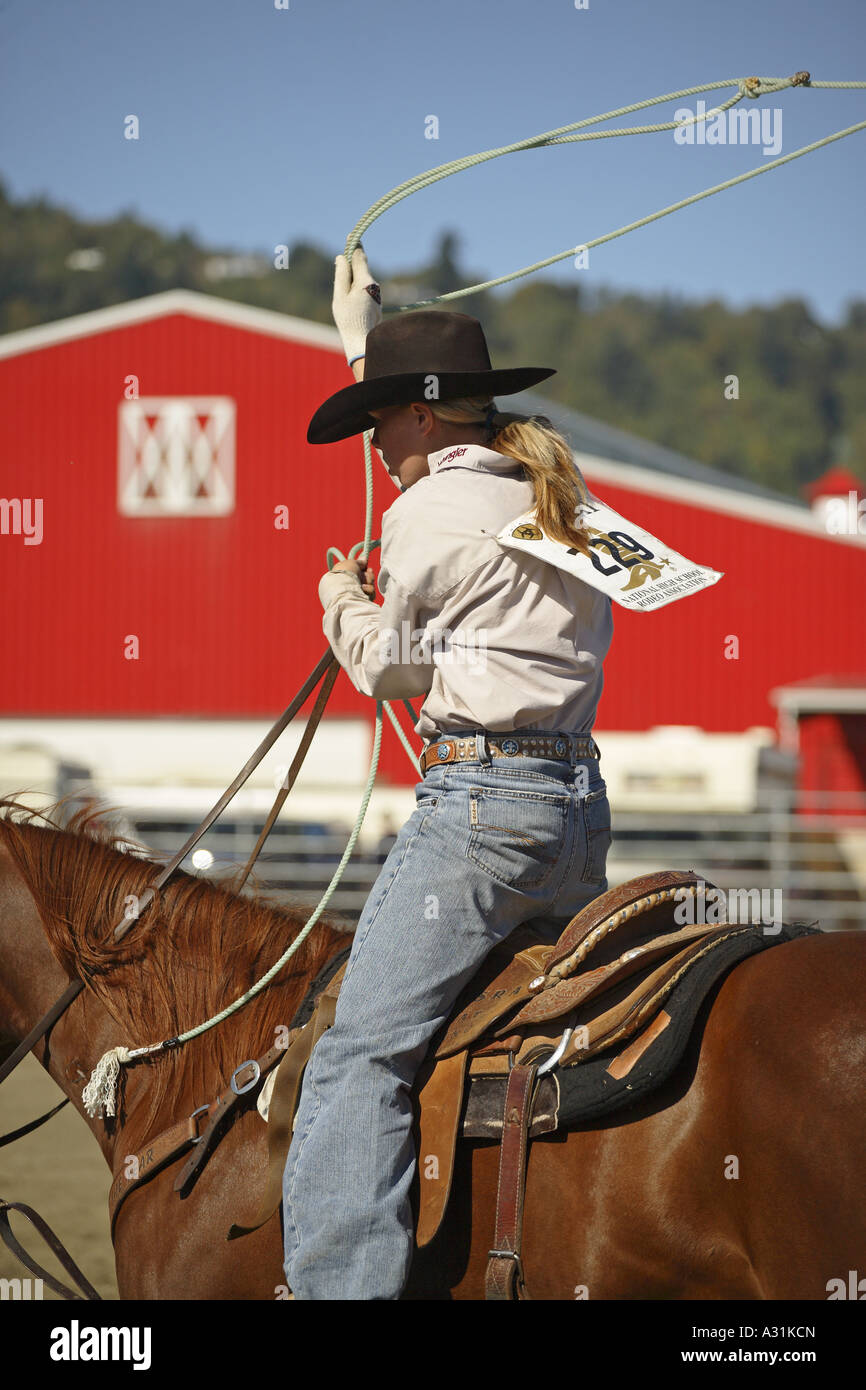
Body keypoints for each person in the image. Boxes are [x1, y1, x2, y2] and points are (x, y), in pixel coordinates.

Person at [282, 248, 614, 1300]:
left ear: (421, 420)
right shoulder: (560, 495)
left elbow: (390, 665)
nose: (375, 446)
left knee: (356, 1059)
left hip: (478, 819)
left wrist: (339, 593)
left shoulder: (422, 512)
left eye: (381, 420)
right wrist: (362, 338)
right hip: (575, 814)